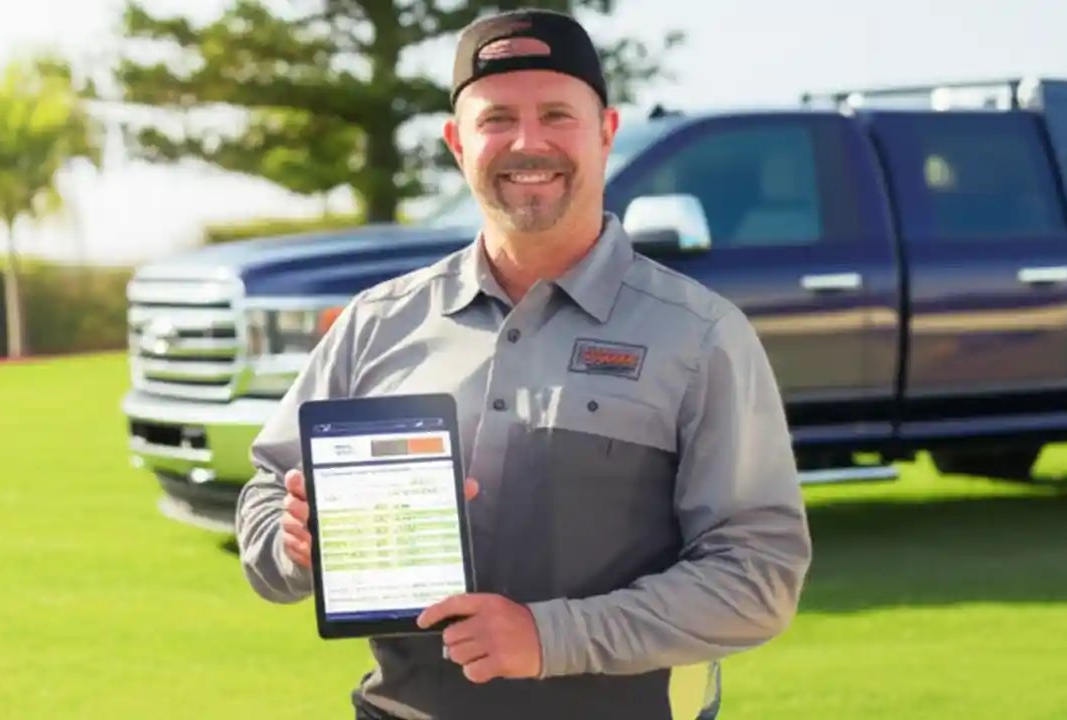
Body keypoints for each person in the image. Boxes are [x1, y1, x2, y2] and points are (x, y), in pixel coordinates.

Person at [235, 8, 812, 719]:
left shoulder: (699, 336)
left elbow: (758, 576)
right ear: (457, 142)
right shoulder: (377, 323)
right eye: (496, 118)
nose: (527, 142)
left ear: (606, 132)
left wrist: (549, 637)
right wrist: (295, 544)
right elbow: (266, 493)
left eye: (557, 115)